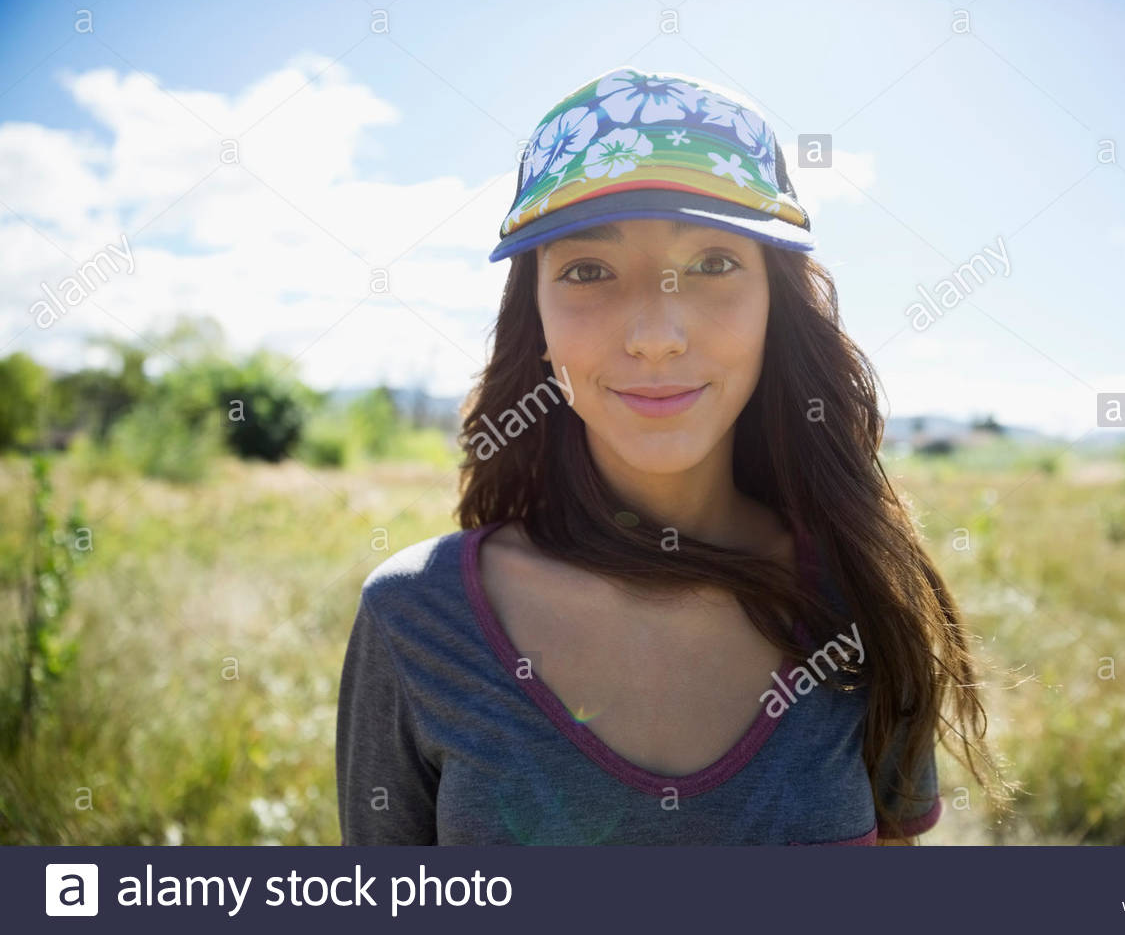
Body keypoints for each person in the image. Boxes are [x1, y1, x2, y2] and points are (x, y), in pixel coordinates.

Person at [336, 65, 1011, 845]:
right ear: (538, 320)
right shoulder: (417, 619)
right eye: (588, 271)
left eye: (714, 264)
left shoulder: (860, 596)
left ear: (775, 304)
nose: (656, 335)